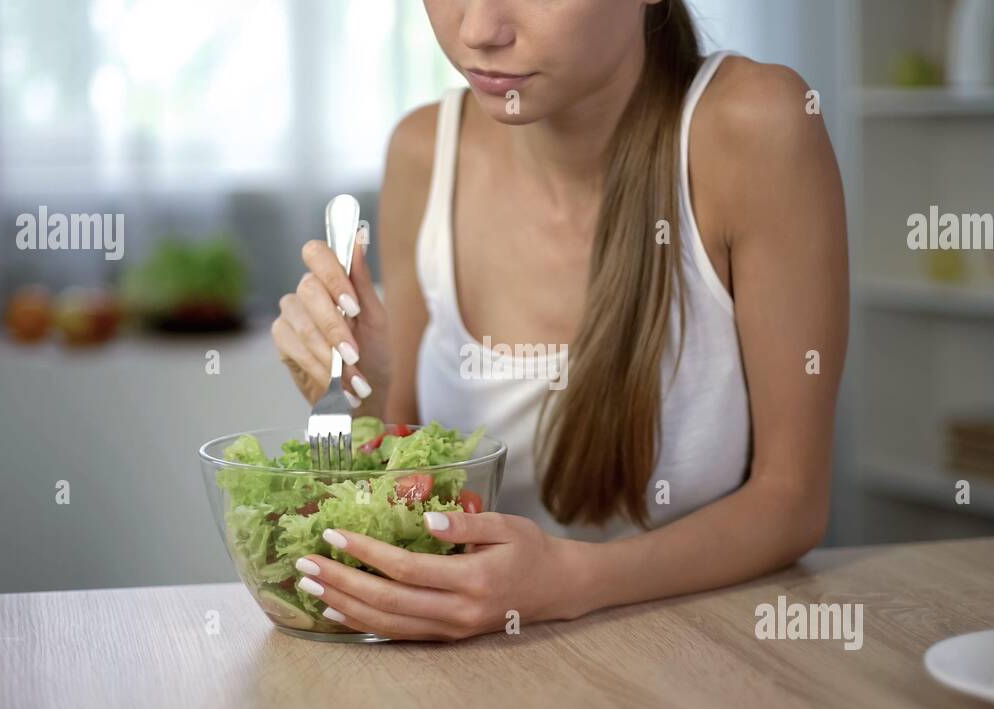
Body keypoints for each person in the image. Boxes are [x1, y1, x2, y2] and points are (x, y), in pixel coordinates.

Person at [271, 0, 848, 640]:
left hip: (707, 650)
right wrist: (365, 391)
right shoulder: (422, 150)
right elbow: (411, 474)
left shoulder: (757, 124)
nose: (479, 31)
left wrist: (571, 581)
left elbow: (792, 502)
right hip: (477, 670)